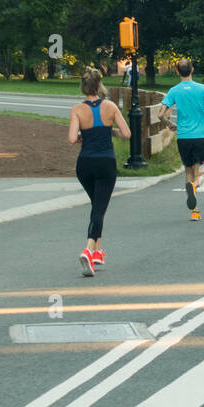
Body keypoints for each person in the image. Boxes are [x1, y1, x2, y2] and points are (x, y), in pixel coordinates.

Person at [69, 68, 130, 277]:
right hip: (106, 163)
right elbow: (127, 133)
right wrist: (109, 130)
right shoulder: (110, 106)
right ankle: (88, 249)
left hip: (85, 164)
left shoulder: (77, 109)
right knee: (99, 209)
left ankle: (97, 252)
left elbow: (71, 138)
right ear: (99, 85)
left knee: (97, 206)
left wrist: (82, 135)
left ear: (83, 87)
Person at [158, 58, 204, 221]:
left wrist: (170, 124)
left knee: (188, 171)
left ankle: (195, 210)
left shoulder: (174, 91)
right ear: (192, 70)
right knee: (202, 172)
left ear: (177, 72)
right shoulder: (202, 89)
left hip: (183, 137)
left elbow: (160, 114)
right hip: (200, 136)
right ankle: (195, 187)